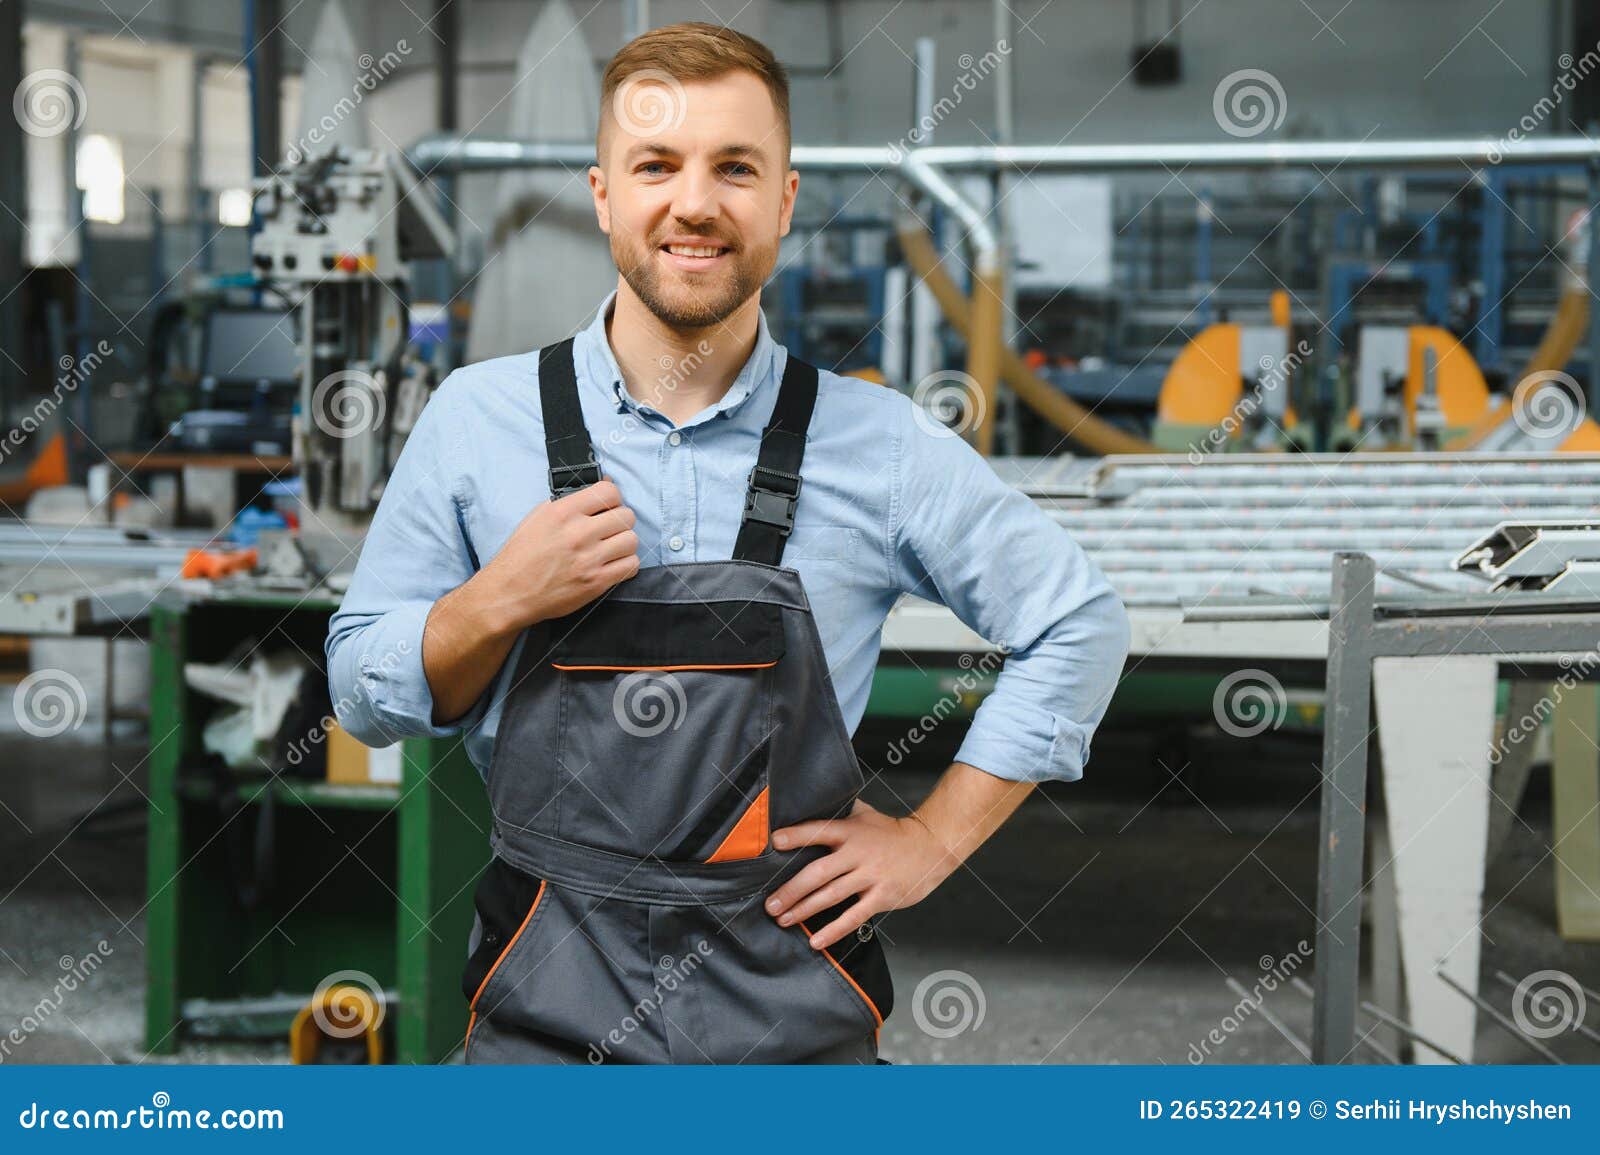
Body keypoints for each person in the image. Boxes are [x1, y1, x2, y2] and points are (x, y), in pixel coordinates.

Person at [326, 21, 1130, 1065]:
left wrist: (932, 841)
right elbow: (357, 695)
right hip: (547, 992)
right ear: (603, 193)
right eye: (655, 165)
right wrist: (499, 600)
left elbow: (1077, 622)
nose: (695, 203)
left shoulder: (877, 444)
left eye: (735, 169)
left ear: (784, 201)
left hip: (788, 999)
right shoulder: (477, 421)